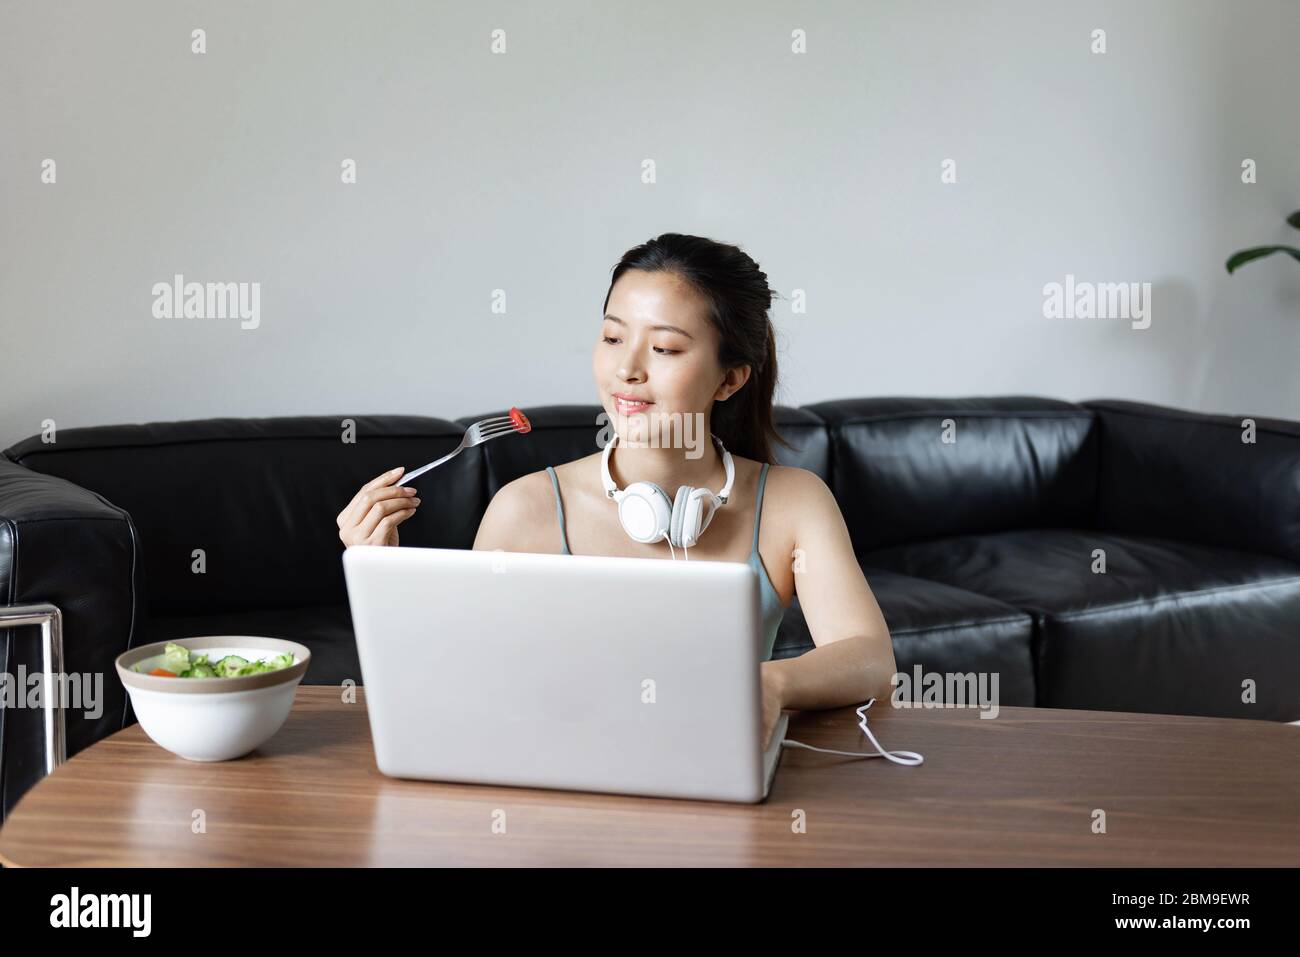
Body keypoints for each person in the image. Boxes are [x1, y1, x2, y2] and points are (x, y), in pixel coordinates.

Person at [337, 233, 897, 749]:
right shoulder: (526, 509)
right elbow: (462, 686)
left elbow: (871, 660)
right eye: (612, 337)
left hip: (716, 776)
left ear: (730, 378)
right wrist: (381, 578)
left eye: (666, 349)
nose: (626, 369)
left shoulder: (794, 502)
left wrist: (769, 684)